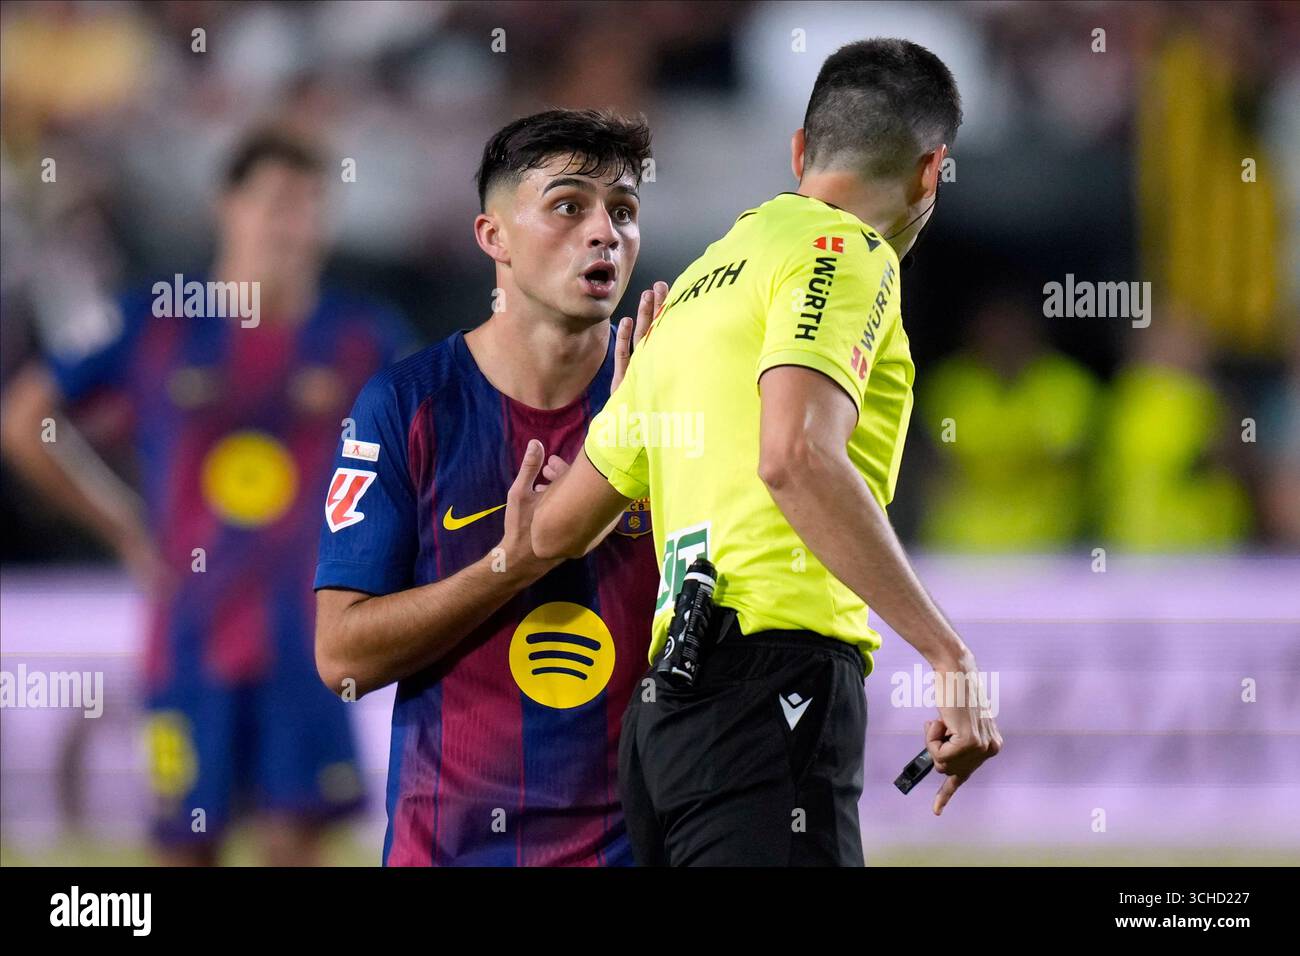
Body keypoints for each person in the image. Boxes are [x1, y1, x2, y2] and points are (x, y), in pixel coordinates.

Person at [532, 39, 1002, 866]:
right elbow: (795, 456)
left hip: (665, 724)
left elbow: (554, 529)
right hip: (769, 684)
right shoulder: (848, 250)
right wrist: (947, 656)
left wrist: (627, 407)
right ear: (932, 174)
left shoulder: (692, 292)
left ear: (798, 151)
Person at [0, 126, 408, 864]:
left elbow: (425, 455)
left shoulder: (364, 337)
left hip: (309, 638)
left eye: (312, 204)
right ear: (229, 207)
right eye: (278, 202)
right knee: (185, 848)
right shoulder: (156, 321)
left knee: (295, 847)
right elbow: (27, 421)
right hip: (188, 634)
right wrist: (122, 524)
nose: (296, 223)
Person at [313, 109, 664, 866]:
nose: (605, 232)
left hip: (633, 847)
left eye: (624, 212)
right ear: (492, 237)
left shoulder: (671, 402)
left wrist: (644, 464)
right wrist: (517, 561)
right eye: (569, 206)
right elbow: (342, 658)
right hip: (452, 849)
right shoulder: (407, 405)